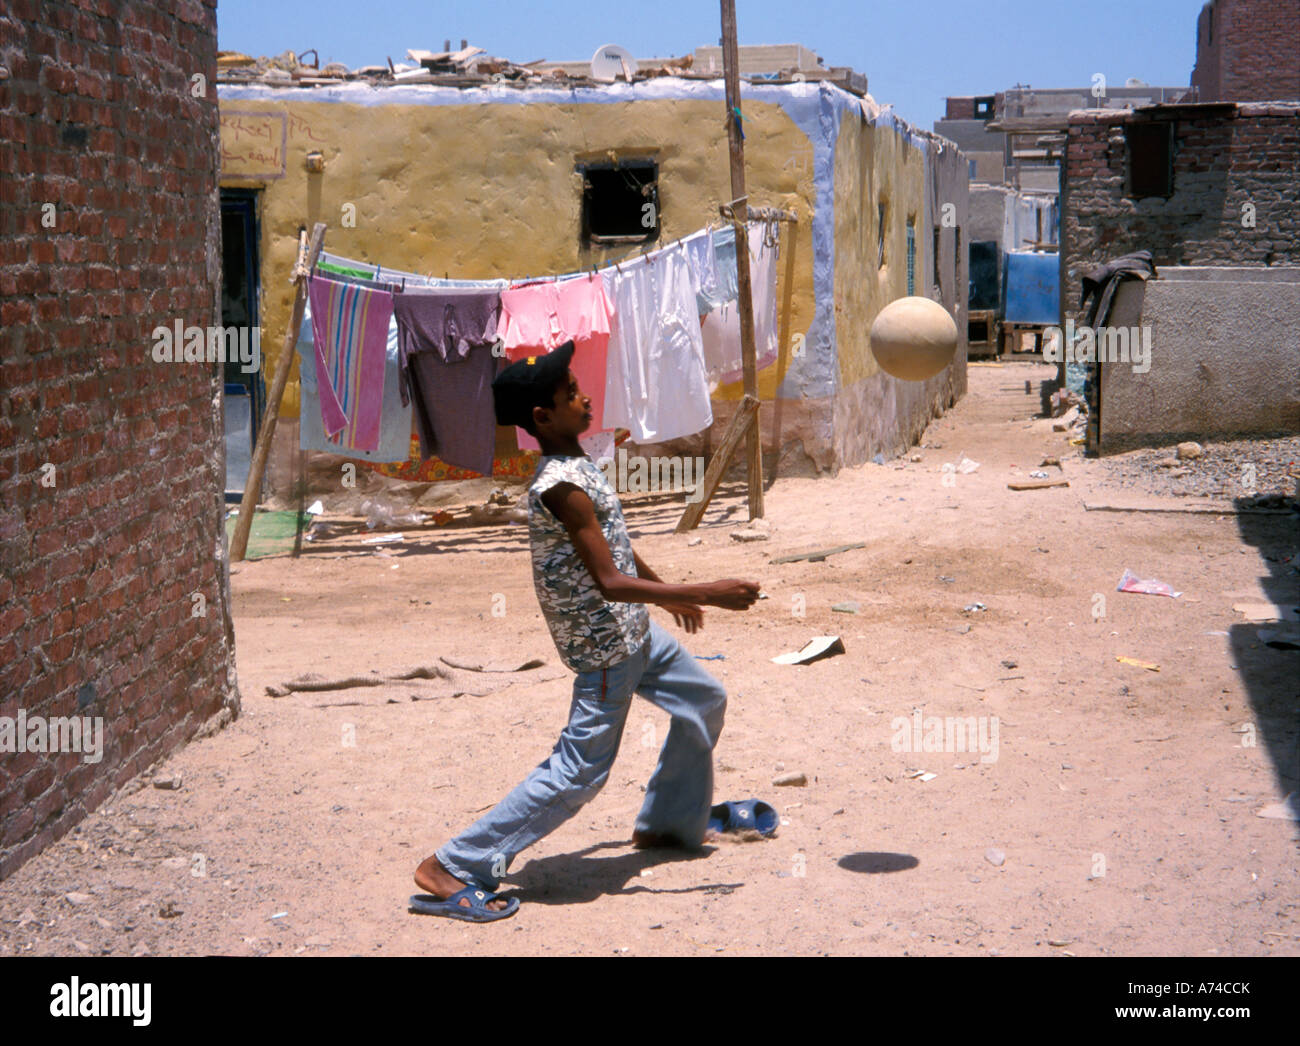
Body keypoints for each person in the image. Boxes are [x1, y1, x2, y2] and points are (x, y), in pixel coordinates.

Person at [411, 341, 761, 921]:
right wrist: (703, 592)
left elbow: (619, 553)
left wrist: (667, 591)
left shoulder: (579, 463)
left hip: (636, 634)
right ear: (543, 418)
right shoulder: (559, 485)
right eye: (571, 393)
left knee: (704, 698)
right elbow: (608, 581)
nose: (585, 396)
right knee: (578, 774)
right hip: (604, 650)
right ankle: (451, 864)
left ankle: (668, 826)